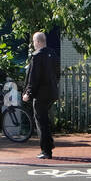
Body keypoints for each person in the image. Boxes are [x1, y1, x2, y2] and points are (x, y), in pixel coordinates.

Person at [22, 30, 59, 159]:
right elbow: (57, 73)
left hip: (41, 94)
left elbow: (34, 77)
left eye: (33, 41)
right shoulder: (53, 53)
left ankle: (46, 150)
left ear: (37, 42)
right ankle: (49, 143)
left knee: (41, 121)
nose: (33, 44)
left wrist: (28, 93)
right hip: (52, 92)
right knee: (45, 120)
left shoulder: (36, 56)